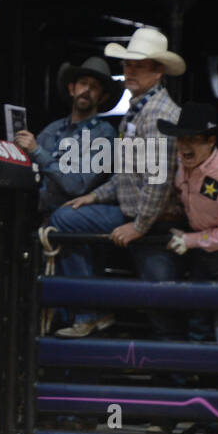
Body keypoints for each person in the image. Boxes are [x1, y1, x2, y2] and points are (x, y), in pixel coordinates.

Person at [49, 27, 185, 338]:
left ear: (157, 71)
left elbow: (158, 181)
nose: (130, 72)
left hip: (155, 221)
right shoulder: (136, 112)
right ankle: (91, 310)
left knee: (161, 304)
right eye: (127, 65)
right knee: (66, 218)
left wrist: (138, 227)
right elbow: (129, 175)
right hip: (134, 213)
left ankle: (179, 375)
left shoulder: (160, 114)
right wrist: (94, 197)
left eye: (139, 65)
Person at [159, 104, 218, 342]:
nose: (185, 146)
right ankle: (198, 377)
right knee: (198, 322)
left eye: (193, 139)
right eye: (181, 139)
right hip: (200, 253)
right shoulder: (182, 166)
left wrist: (190, 240)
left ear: (211, 140)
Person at [14, 55, 122, 215]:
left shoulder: (105, 135)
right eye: (83, 83)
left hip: (74, 223)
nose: (87, 90)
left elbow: (78, 185)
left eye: (94, 87)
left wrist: (37, 151)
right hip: (37, 214)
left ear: (102, 97)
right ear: (72, 89)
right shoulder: (52, 129)